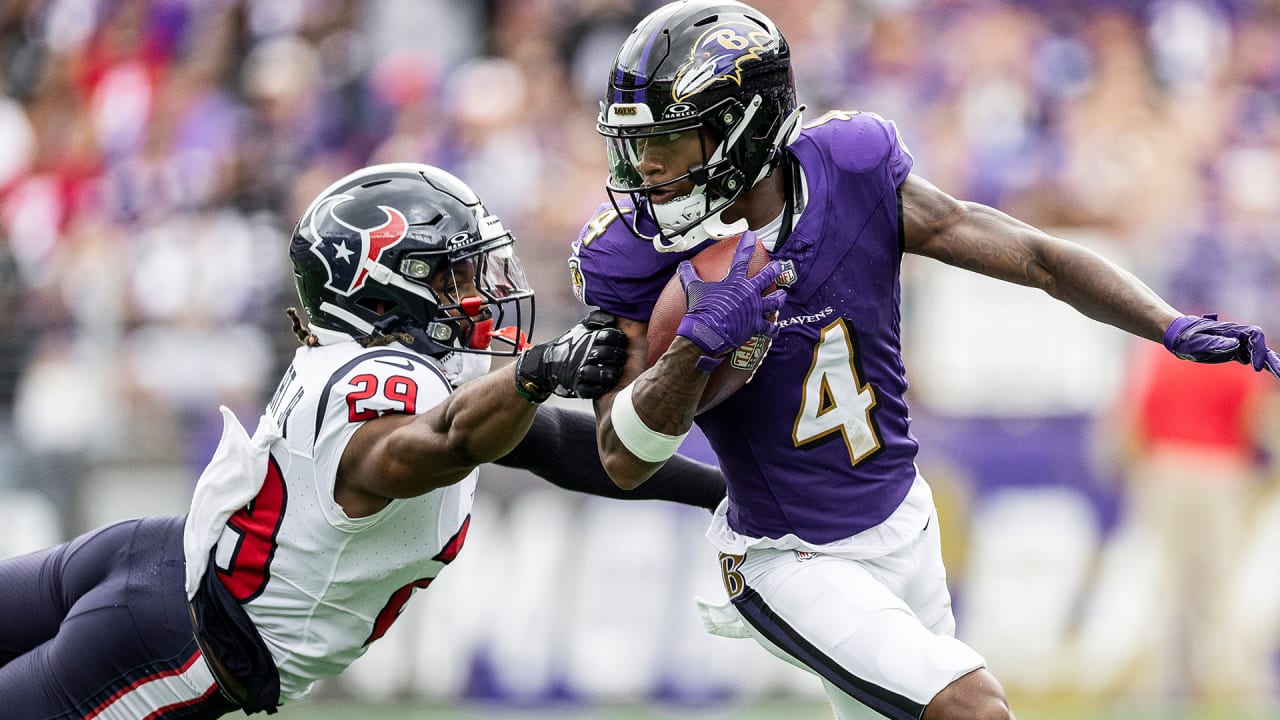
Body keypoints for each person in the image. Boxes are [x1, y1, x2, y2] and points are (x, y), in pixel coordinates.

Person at [567, 3, 1280, 719]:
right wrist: (697, 348)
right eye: (634, 144)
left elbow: (1037, 258)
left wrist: (1167, 323)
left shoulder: (849, 170)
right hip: (787, 555)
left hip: (905, 521)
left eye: (669, 140)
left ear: (745, 126)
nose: (645, 168)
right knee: (973, 709)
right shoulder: (637, 256)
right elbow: (623, 457)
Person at [0, 162, 726, 718]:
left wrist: (727, 495)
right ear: (386, 289)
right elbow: (426, 447)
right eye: (455, 276)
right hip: (174, 635)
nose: (480, 291)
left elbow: (561, 445)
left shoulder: (389, 363)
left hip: (155, 558)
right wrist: (535, 372)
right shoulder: (391, 380)